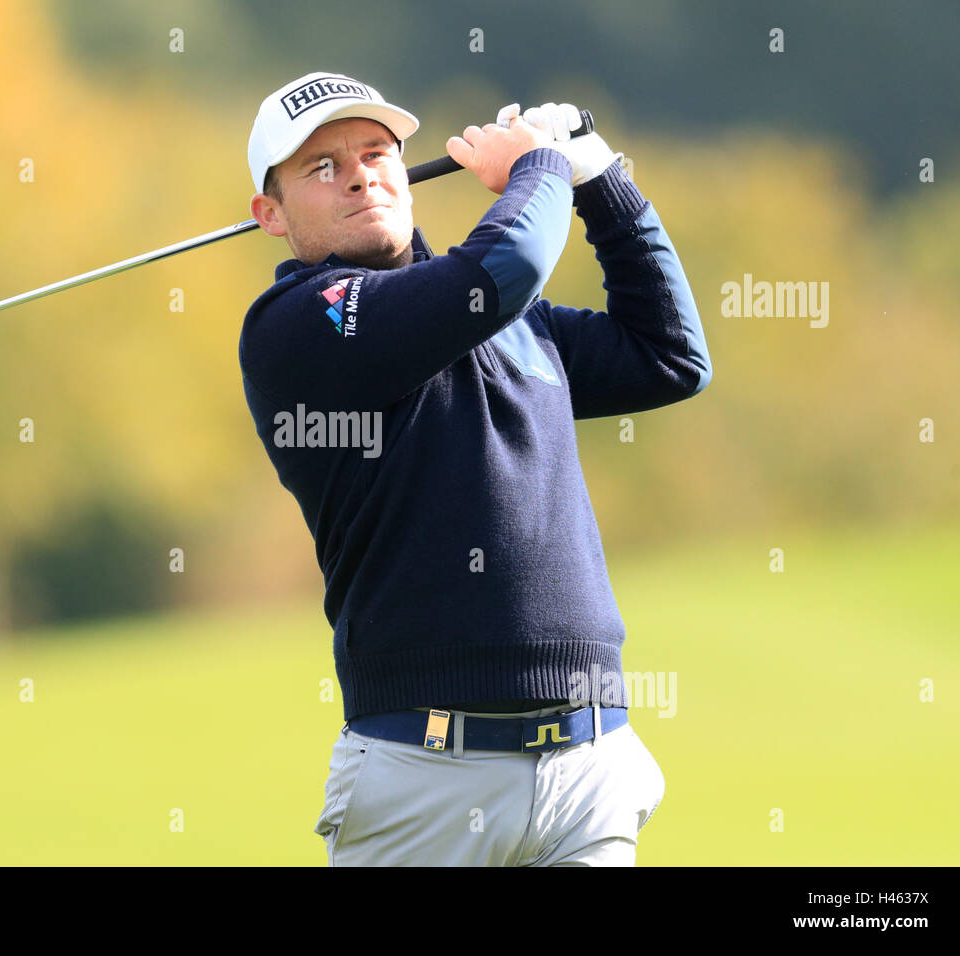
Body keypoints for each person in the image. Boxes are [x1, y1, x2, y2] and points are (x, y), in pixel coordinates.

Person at [240, 72, 711, 866]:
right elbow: (498, 269)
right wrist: (541, 169)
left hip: (587, 769)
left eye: (378, 152)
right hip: (422, 777)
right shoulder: (298, 327)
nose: (360, 173)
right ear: (271, 214)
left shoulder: (514, 324)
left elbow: (668, 356)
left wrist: (603, 180)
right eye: (321, 167)